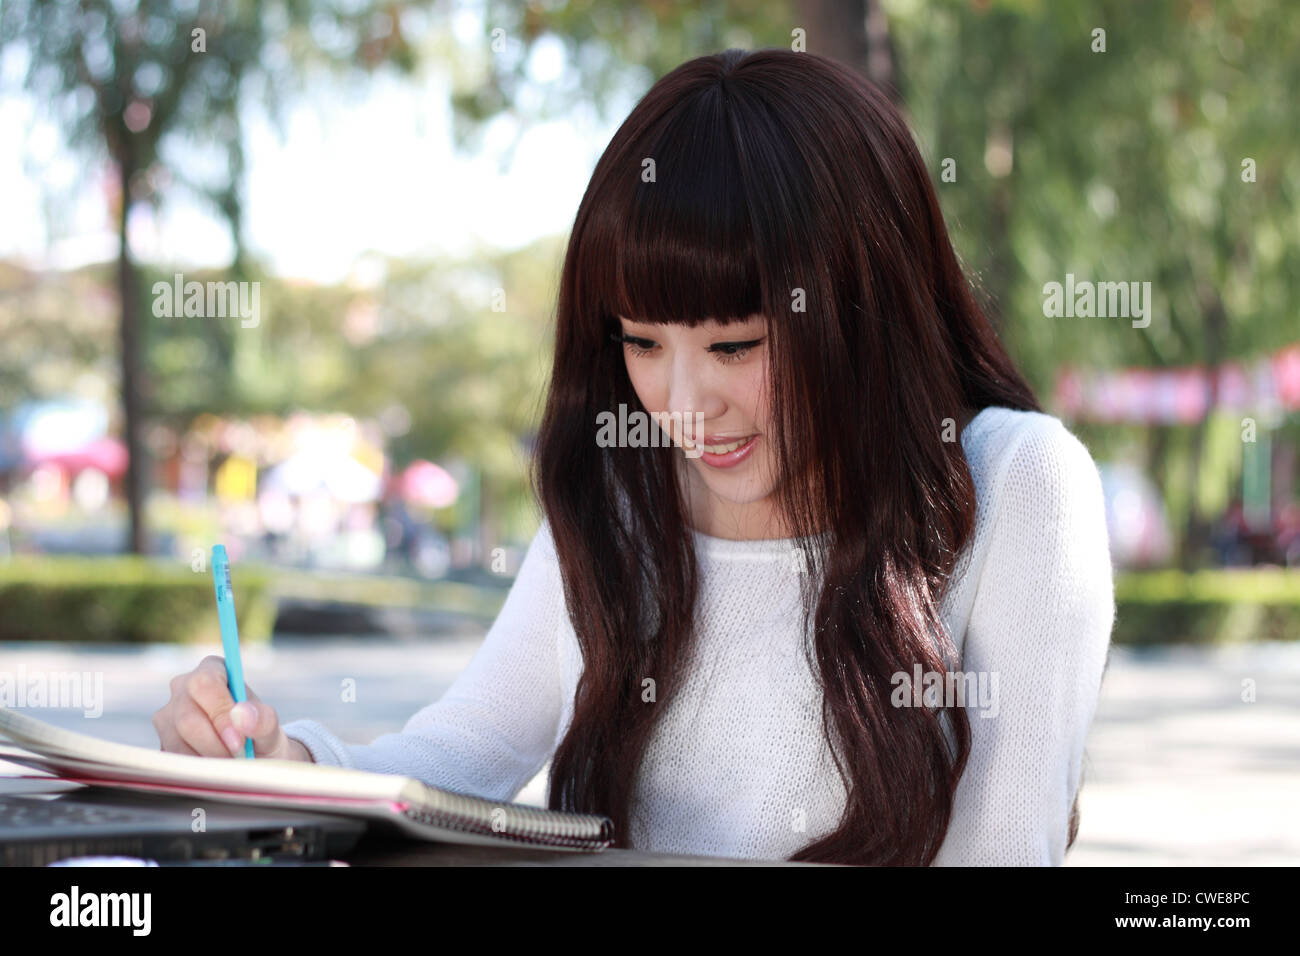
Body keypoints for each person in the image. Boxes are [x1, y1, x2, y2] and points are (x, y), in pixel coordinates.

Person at [153, 48, 1115, 866]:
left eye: (734, 346)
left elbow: (1005, 853)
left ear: (864, 309)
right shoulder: (622, 496)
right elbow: (465, 749)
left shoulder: (1017, 486)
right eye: (643, 344)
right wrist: (287, 762)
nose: (684, 408)